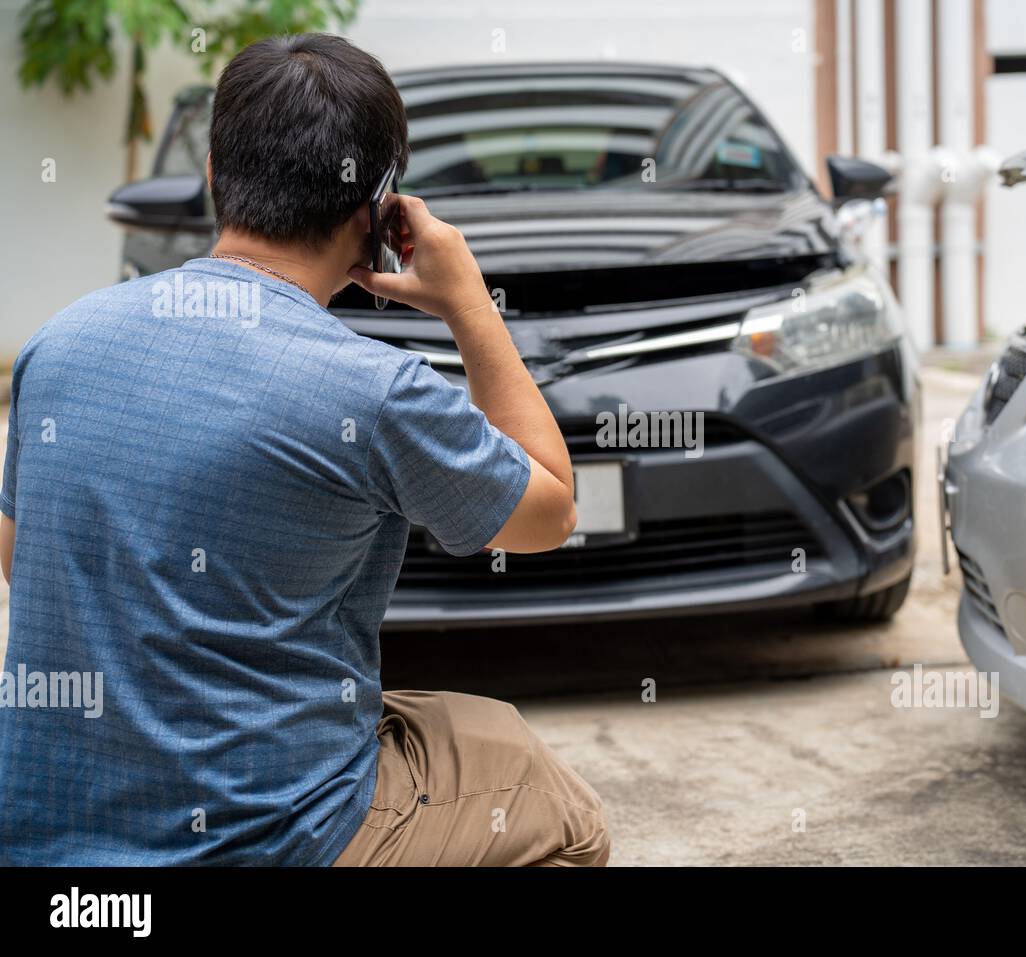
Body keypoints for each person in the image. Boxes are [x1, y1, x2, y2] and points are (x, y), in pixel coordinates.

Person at [0, 33, 610, 866]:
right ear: (379, 210)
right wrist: (469, 303)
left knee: (458, 727)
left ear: (215, 173)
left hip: (45, 843)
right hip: (269, 840)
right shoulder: (376, 389)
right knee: (553, 806)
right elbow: (550, 509)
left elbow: (16, 554)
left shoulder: (58, 342)